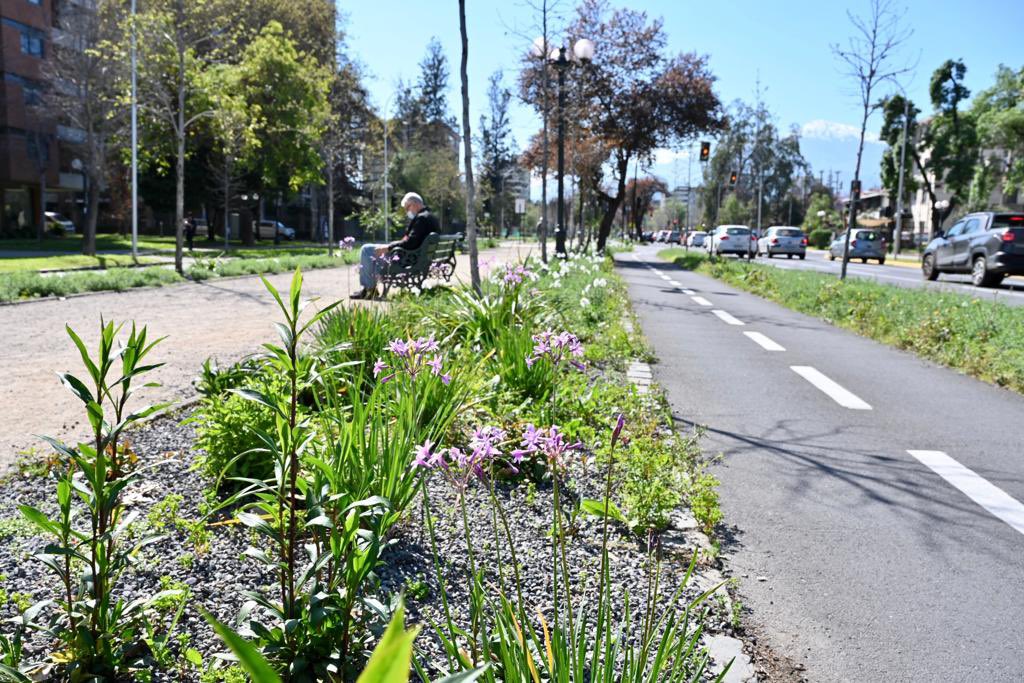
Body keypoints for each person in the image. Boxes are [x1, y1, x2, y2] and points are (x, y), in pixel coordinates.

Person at [350, 192, 440, 300]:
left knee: (366, 250)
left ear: (415, 204)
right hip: (416, 257)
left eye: (407, 207)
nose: (407, 211)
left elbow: (410, 243)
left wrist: (388, 247)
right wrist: (392, 245)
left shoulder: (422, 219)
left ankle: (369, 289)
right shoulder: (431, 217)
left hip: (407, 259)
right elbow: (413, 241)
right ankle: (369, 288)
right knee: (371, 250)